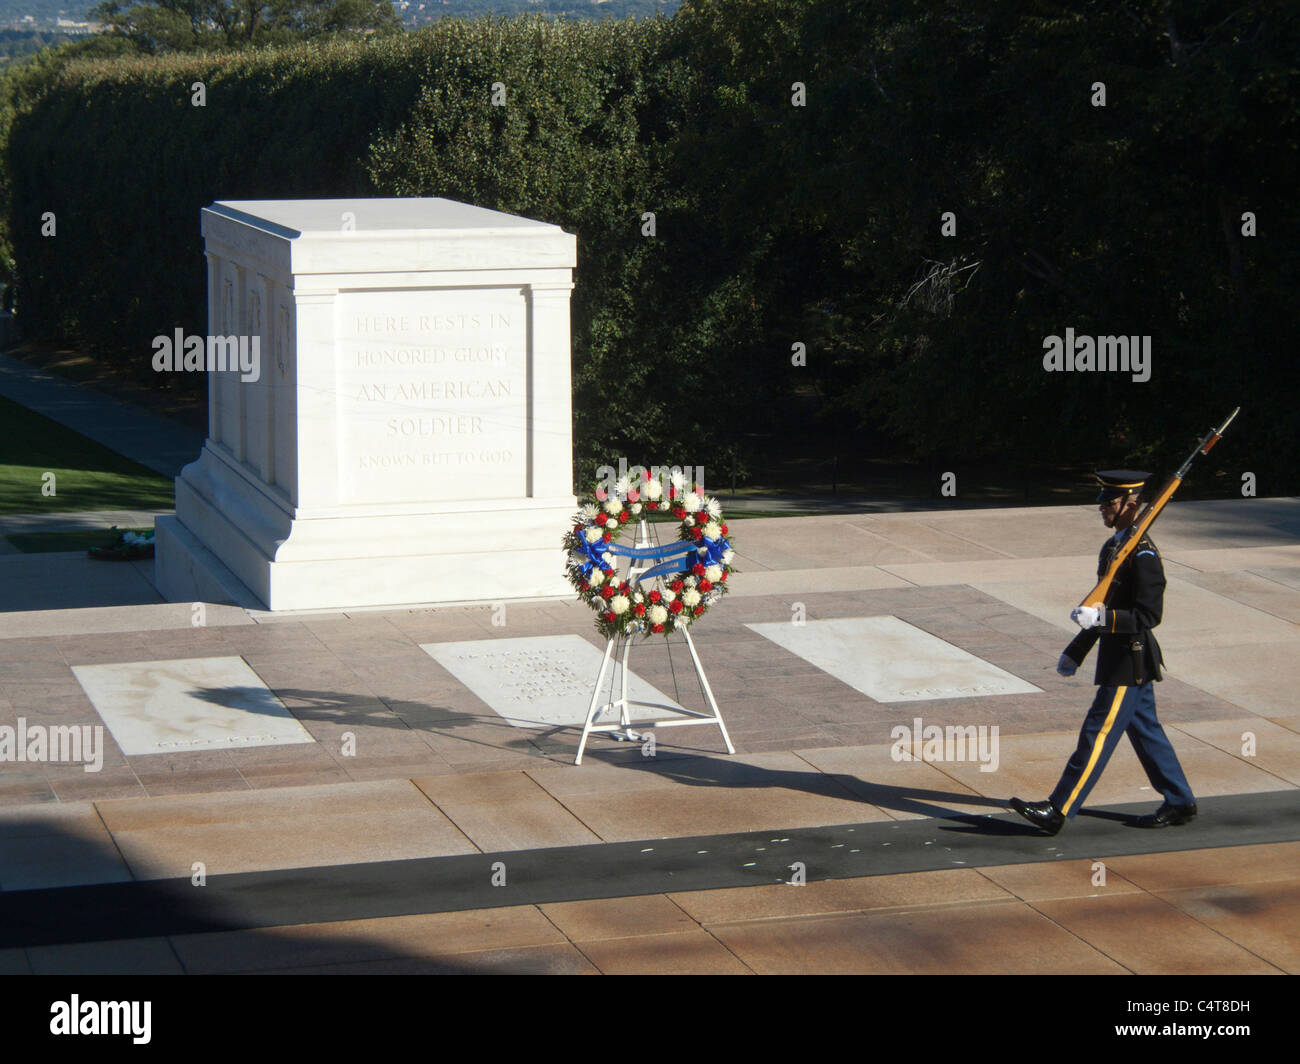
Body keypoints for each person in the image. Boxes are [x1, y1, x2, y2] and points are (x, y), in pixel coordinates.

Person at [1010, 470, 1197, 834]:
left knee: (1098, 733)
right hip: (1122, 656)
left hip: (1130, 659)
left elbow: (1148, 615)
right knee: (1146, 732)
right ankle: (1180, 800)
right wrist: (1077, 650)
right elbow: (1101, 601)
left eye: (1108, 502)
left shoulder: (1143, 554)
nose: (1101, 508)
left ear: (1132, 505)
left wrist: (1103, 618)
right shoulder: (1115, 547)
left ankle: (1059, 808)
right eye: (1102, 500)